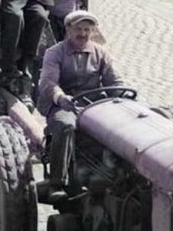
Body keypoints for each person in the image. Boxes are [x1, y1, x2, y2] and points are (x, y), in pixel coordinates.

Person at [37, 11, 123, 200]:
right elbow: (48, 83)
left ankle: (116, 174)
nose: (83, 34)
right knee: (65, 125)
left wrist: (123, 97)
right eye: (78, 29)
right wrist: (60, 97)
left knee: (119, 125)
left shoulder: (101, 53)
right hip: (64, 105)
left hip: (93, 104)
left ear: (93, 31)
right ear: (68, 30)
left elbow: (113, 82)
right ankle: (56, 183)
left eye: (87, 30)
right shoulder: (54, 53)